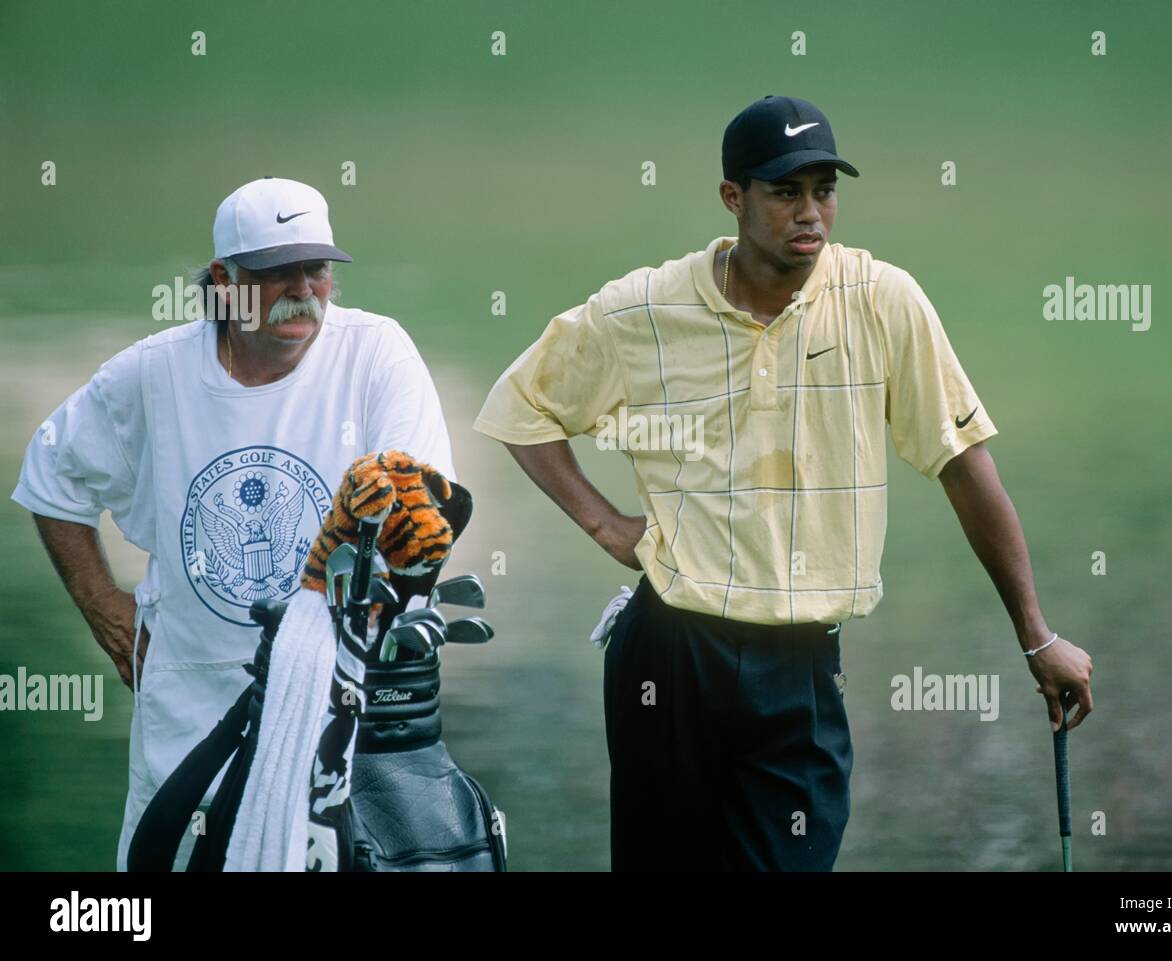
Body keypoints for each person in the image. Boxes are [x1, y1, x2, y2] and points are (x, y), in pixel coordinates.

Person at [473, 95, 1094, 871]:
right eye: (785, 191)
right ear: (734, 198)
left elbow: (964, 466)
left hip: (801, 667)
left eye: (824, 189)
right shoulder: (646, 309)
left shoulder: (882, 301)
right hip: (669, 653)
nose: (811, 212)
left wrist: (1035, 633)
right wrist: (604, 525)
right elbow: (521, 406)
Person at [12, 176, 457, 870]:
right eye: (277, 273)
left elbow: (417, 503)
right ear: (225, 278)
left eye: (316, 270)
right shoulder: (155, 375)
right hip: (188, 711)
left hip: (336, 716)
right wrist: (106, 611)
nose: (303, 290)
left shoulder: (375, 354)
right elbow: (50, 476)